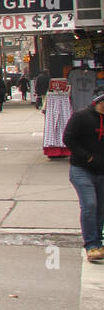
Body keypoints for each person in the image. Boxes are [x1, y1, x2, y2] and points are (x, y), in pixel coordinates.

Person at [64, 87, 104, 263]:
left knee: (100, 209)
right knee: (90, 204)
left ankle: (98, 242)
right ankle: (92, 245)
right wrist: (87, 157)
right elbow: (68, 138)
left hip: (101, 170)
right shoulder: (81, 117)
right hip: (81, 169)